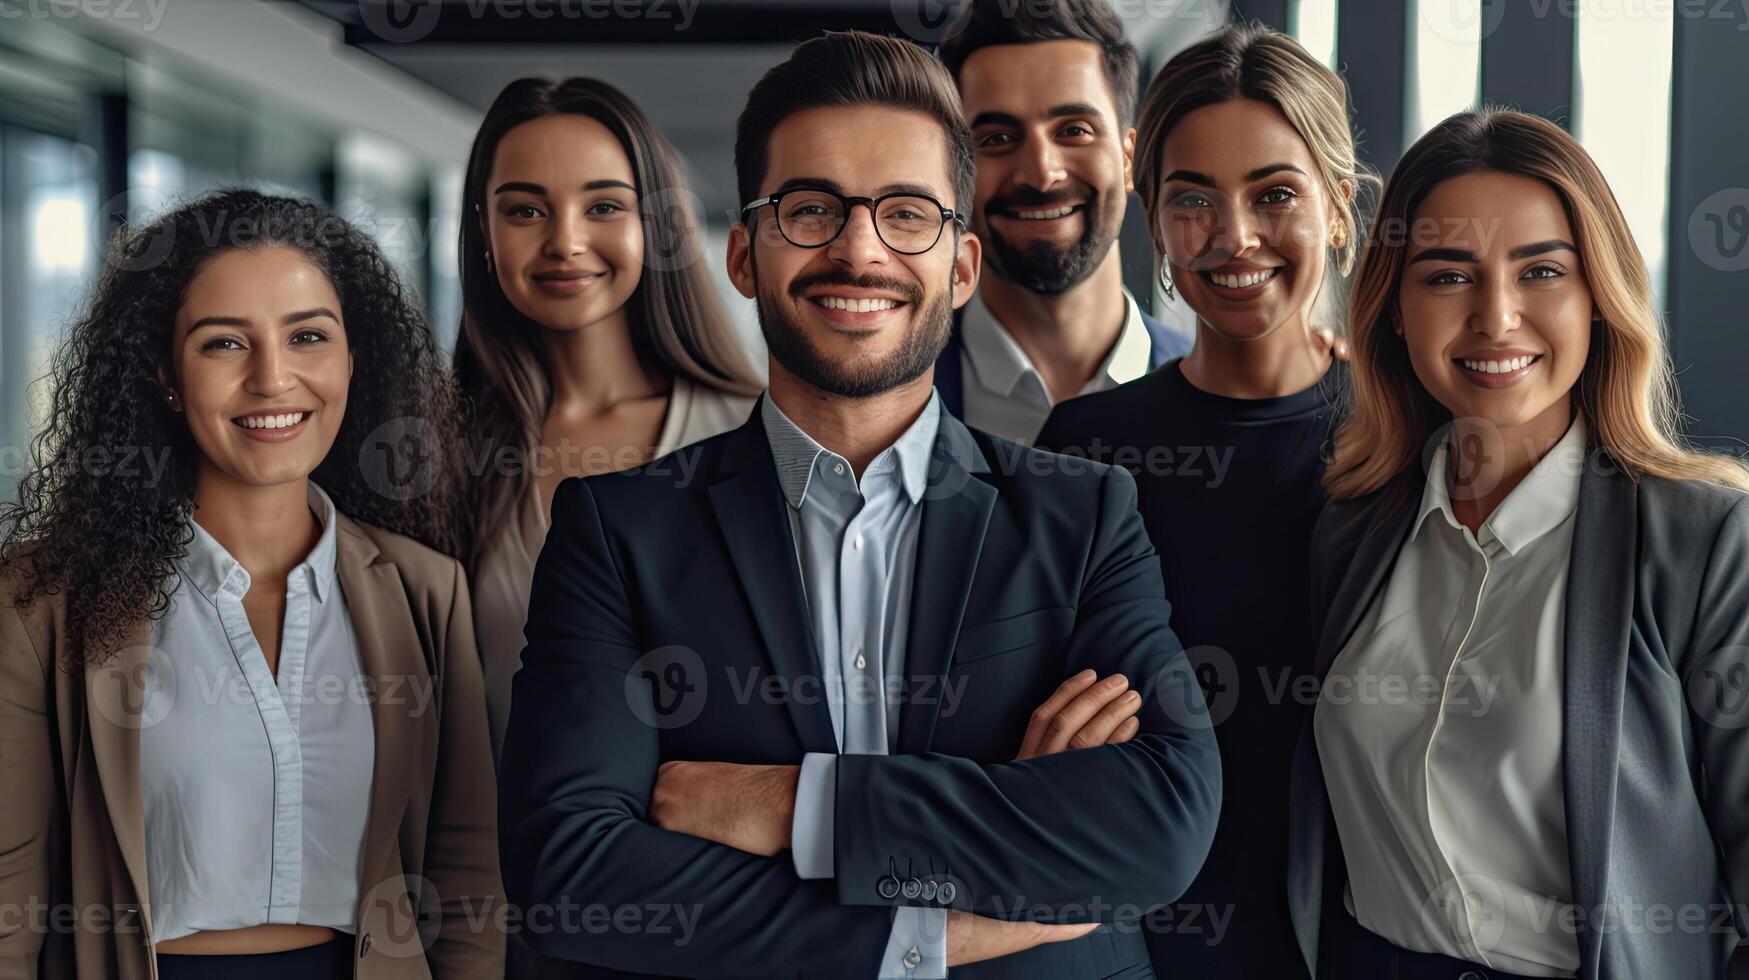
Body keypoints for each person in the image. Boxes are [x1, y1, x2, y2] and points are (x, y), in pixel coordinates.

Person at [496, 30, 1221, 978]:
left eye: (906, 213)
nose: (857, 249)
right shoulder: (617, 531)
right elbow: (571, 874)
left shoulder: (1082, 515)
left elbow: (1156, 826)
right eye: (809, 209)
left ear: (961, 269)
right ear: (745, 254)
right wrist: (939, 918)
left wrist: (790, 809)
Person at [0, 190, 504, 979]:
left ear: (350, 361)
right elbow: (9, 901)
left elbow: (467, 873)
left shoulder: (425, 592)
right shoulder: (42, 601)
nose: (274, 378)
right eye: (224, 344)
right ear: (166, 375)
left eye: (308, 337)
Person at [1295, 108, 1749, 979]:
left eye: (1540, 270)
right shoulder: (1350, 526)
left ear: (1597, 296)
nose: (1495, 318)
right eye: (1446, 276)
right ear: (1393, 309)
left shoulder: (1701, 540)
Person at [1035, 23, 1372, 980]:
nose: (1232, 238)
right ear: (1152, 219)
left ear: (1339, 211)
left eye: (1274, 195)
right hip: (1140, 938)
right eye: (1193, 200)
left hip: (1368, 940)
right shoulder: (1084, 452)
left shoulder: (1410, 446)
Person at [454, 76, 764, 758]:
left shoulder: (756, 433)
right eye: (525, 211)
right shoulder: (442, 454)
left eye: (602, 206)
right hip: (507, 860)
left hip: (714, 857)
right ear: (484, 231)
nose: (564, 241)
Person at [930, 0, 1193, 445]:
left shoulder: (1216, 390)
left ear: (1130, 160)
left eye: (1074, 130)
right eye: (997, 138)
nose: (1041, 173)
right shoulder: (889, 395)